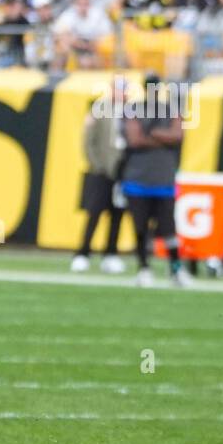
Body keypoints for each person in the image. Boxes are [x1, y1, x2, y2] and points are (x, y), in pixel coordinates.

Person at [122, 80, 188, 287]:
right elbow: (135, 140)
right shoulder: (134, 108)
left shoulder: (172, 109)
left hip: (163, 178)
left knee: (169, 229)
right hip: (138, 178)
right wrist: (163, 138)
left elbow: (178, 135)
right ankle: (144, 269)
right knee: (140, 228)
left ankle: (176, 271)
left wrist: (154, 134)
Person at [72, 75, 128, 274]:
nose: (121, 93)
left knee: (117, 214)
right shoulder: (99, 108)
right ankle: (82, 253)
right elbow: (89, 141)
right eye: (118, 89)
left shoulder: (132, 111)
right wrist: (97, 164)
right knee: (94, 212)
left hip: (122, 172)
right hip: (101, 170)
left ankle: (110, 254)